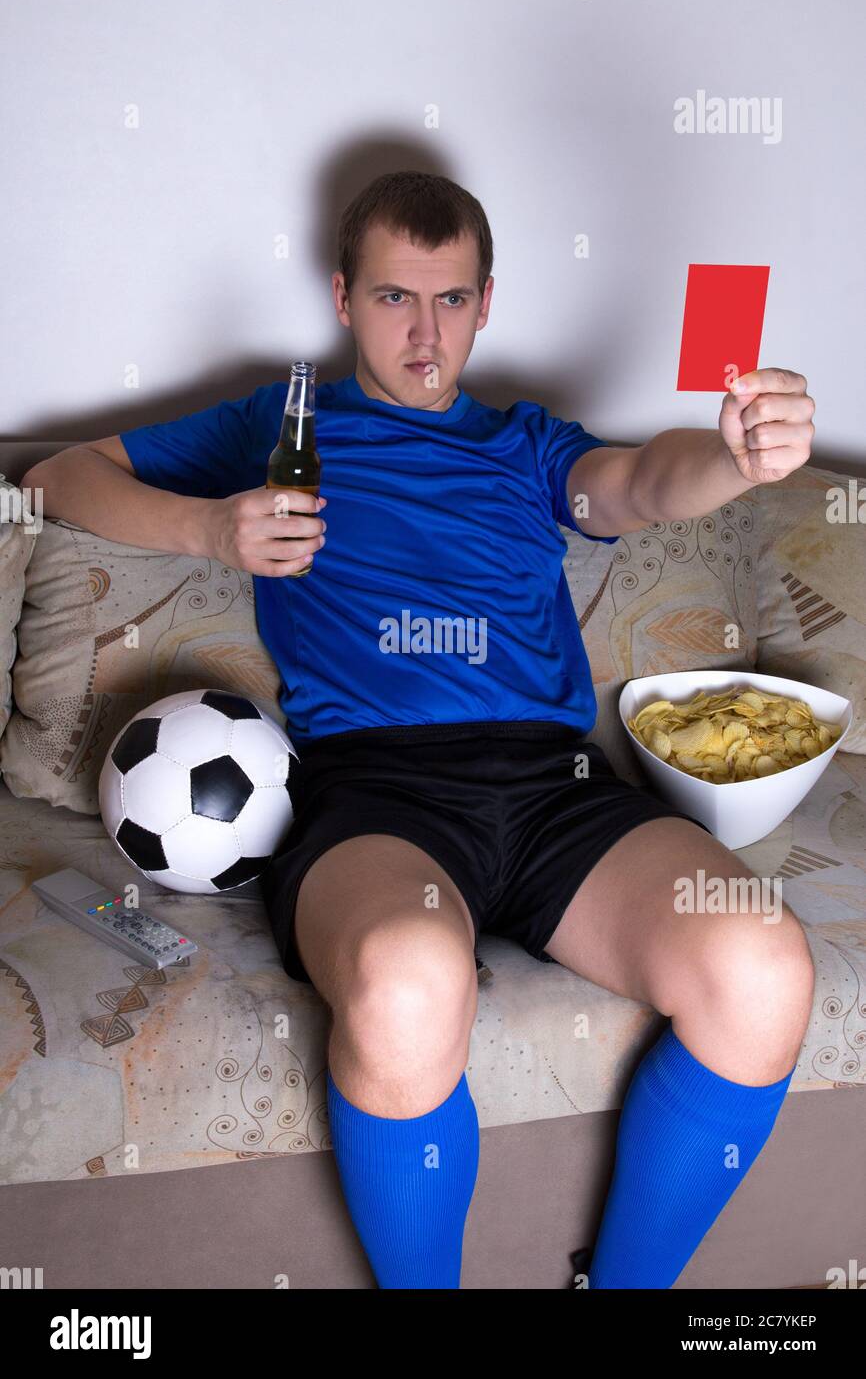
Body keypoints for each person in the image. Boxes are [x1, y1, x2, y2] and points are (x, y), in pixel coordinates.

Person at [25, 171, 817, 1290]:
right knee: (405, 981)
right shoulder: (285, 427)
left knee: (762, 965)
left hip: (555, 788)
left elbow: (639, 484)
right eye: (395, 298)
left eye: (450, 301)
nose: (425, 335)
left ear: (486, 304)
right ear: (343, 298)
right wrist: (210, 531)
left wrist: (732, 457)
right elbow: (59, 475)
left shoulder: (527, 444)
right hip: (377, 794)